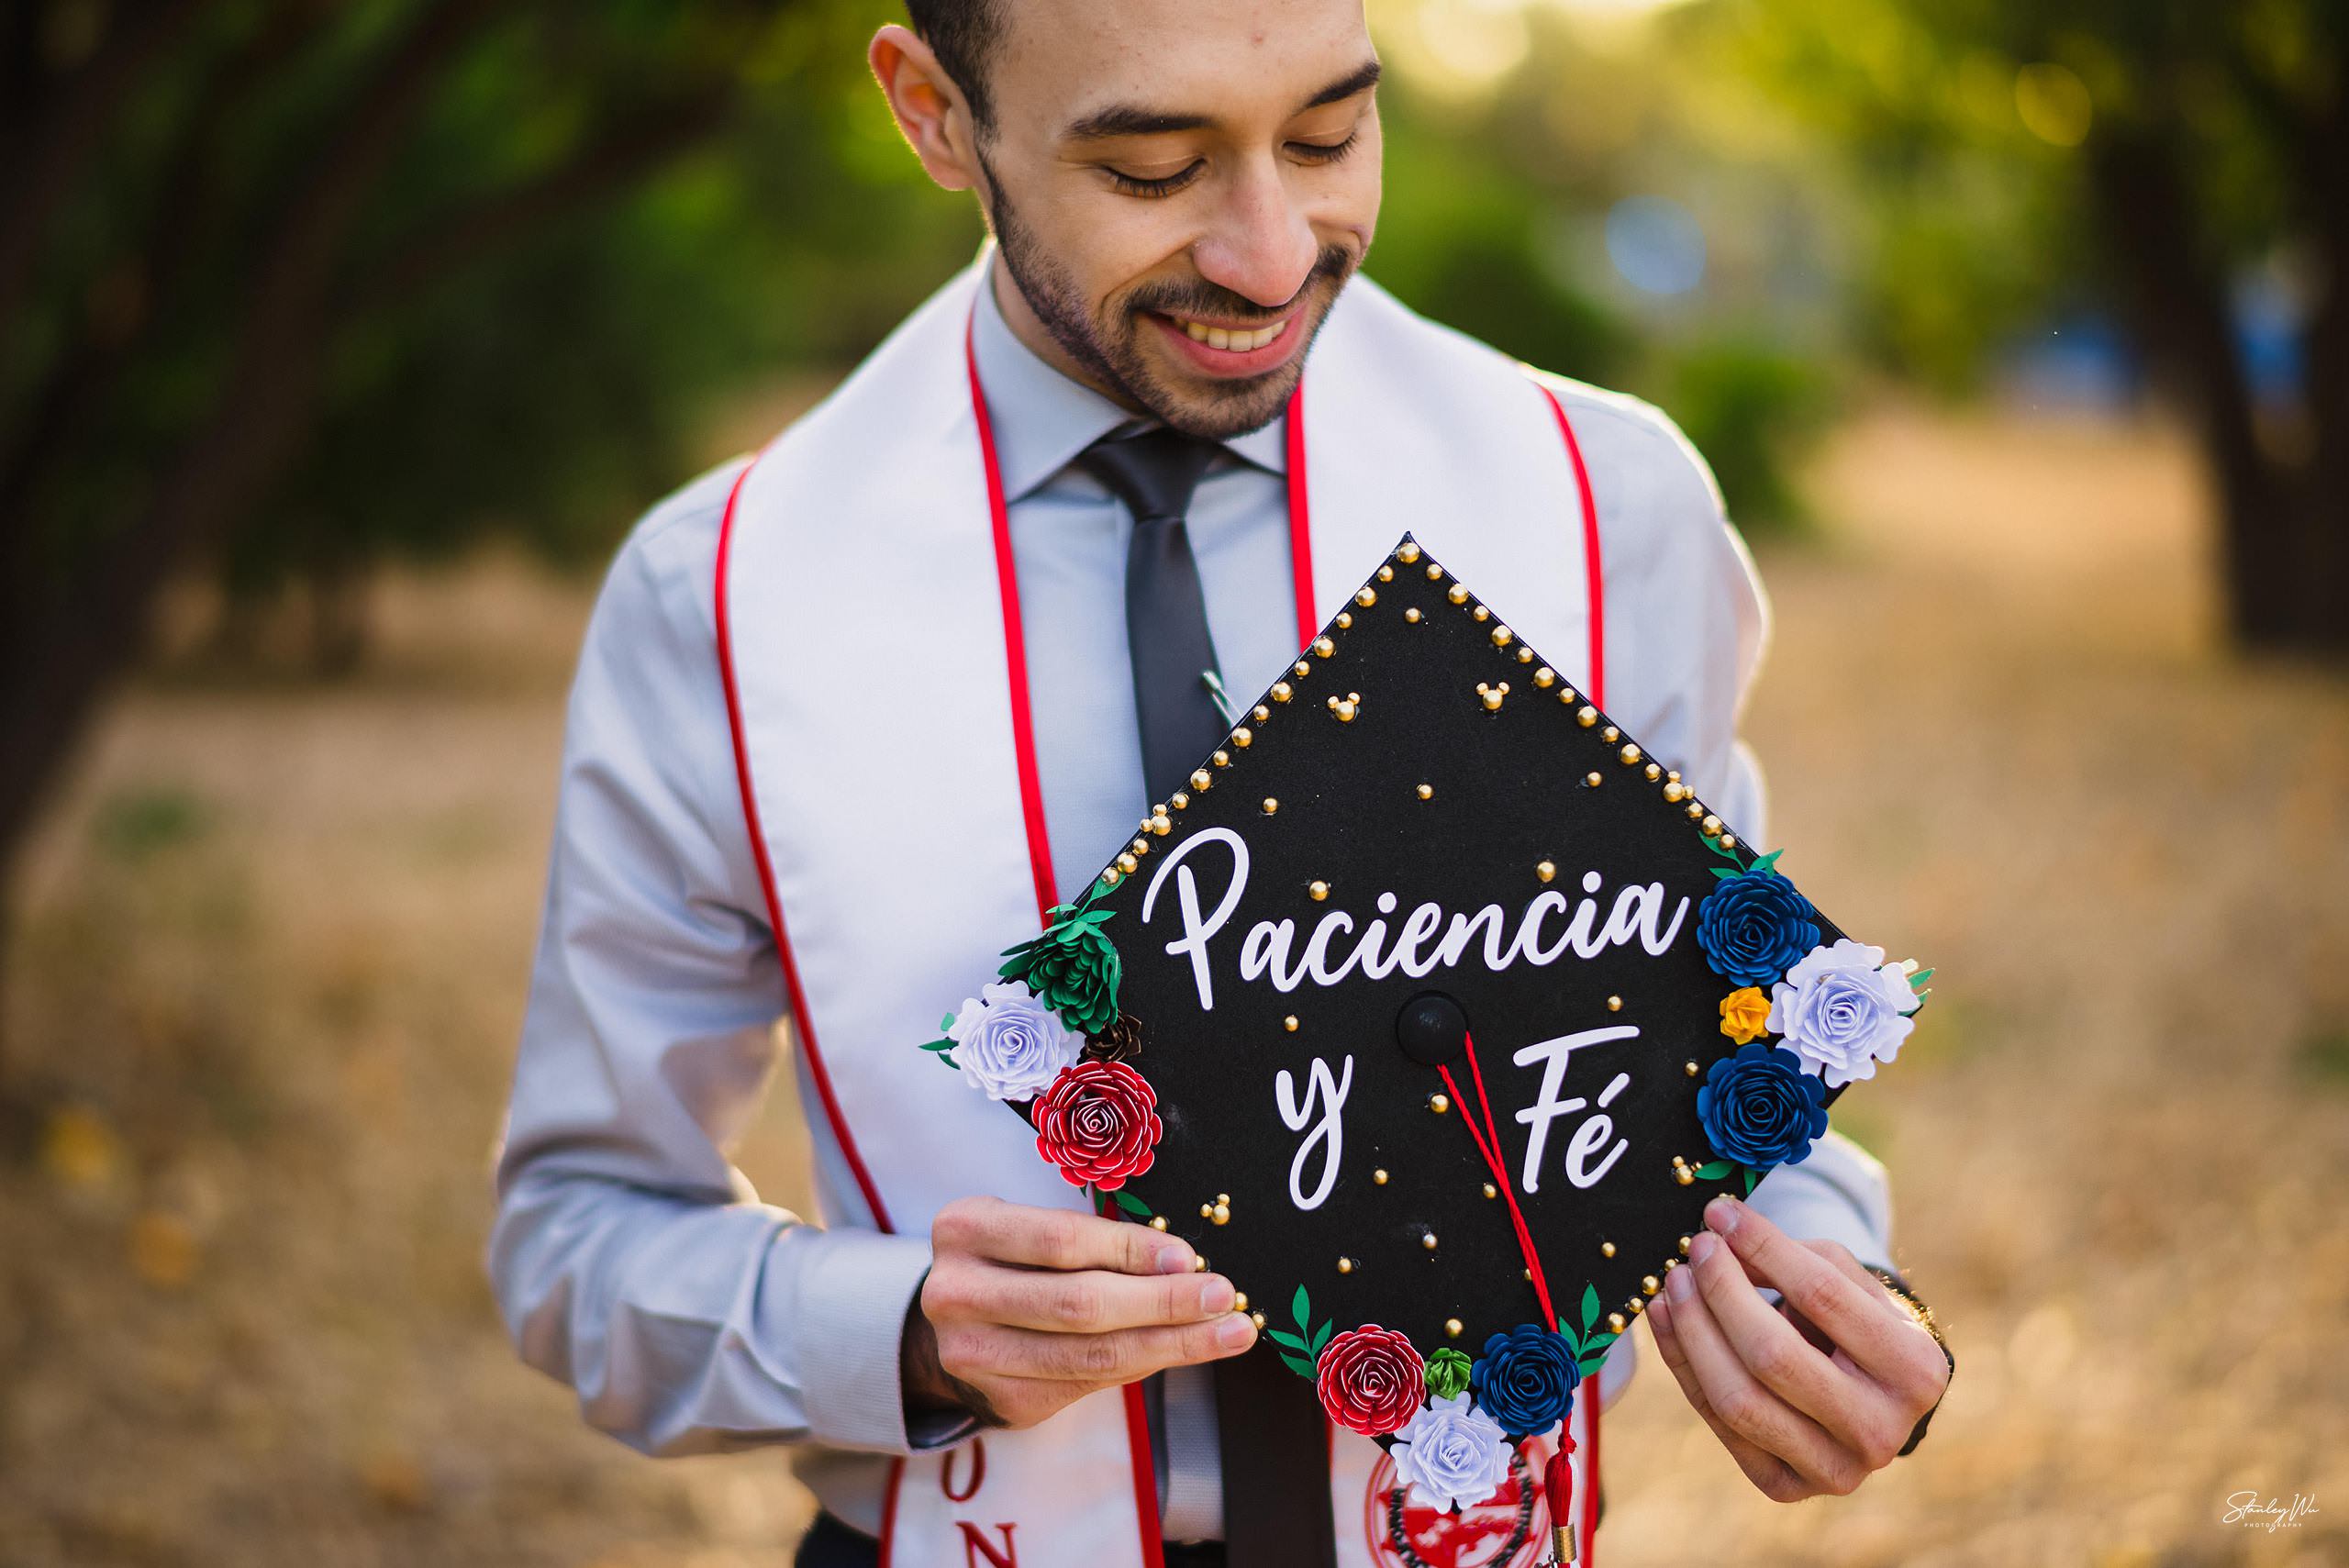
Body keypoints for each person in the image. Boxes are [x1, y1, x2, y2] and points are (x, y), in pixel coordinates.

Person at [486, 2, 1954, 1564]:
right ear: (931, 114)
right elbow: (575, 1239)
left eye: (1328, 137)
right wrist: (902, 1330)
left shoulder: (1605, 502)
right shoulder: (722, 595)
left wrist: (1824, 1287)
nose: (1270, 255)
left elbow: (1710, 1073)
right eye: (1152, 168)